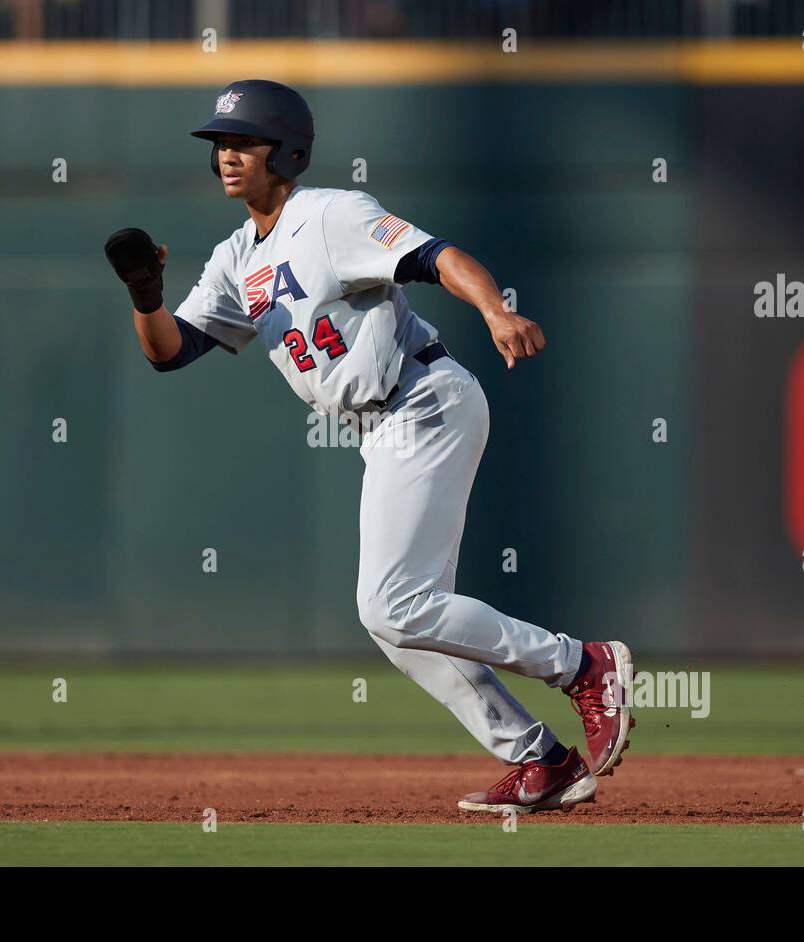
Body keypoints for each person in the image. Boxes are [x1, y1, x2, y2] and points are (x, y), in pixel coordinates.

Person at [104, 80, 633, 813]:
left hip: (425, 401)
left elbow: (436, 255)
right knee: (397, 624)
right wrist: (145, 295)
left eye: (242, 141)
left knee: (393, 604)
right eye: (220, 143)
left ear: (285, 149)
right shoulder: (234, 258)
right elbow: (170, 352)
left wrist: (495, 309)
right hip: (383, 429)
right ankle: (542, 759)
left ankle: (582, 665)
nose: (226, 155)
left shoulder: (331, 214)